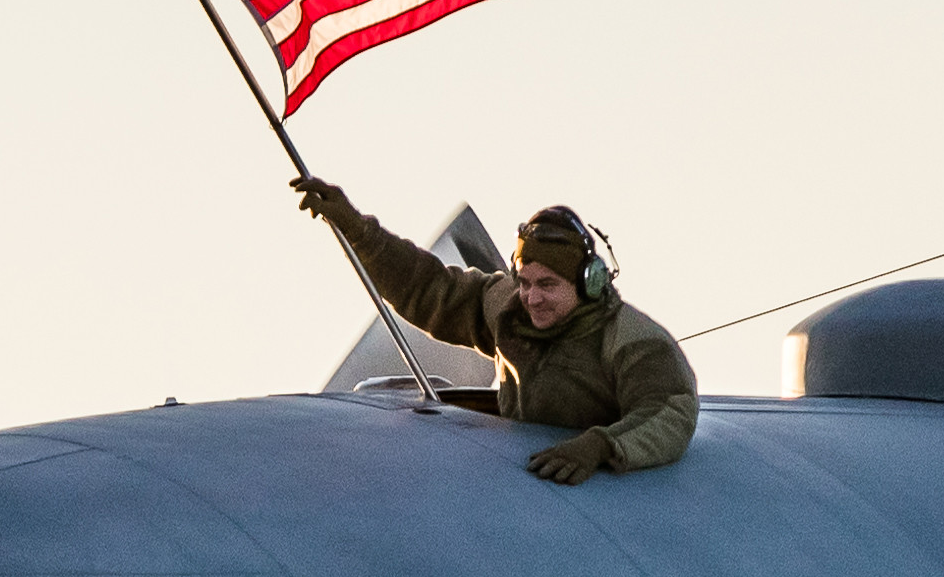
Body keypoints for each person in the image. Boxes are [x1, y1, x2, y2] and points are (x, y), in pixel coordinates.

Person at [293, 181, 696, 482]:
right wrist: (358, 232)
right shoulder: (507, 308)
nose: (532, 298)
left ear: (589, 283)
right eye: (525, 281)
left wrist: (601, 445)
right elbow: (428, 287)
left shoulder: (632, 339)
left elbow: (671, 408)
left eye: (548, 285)